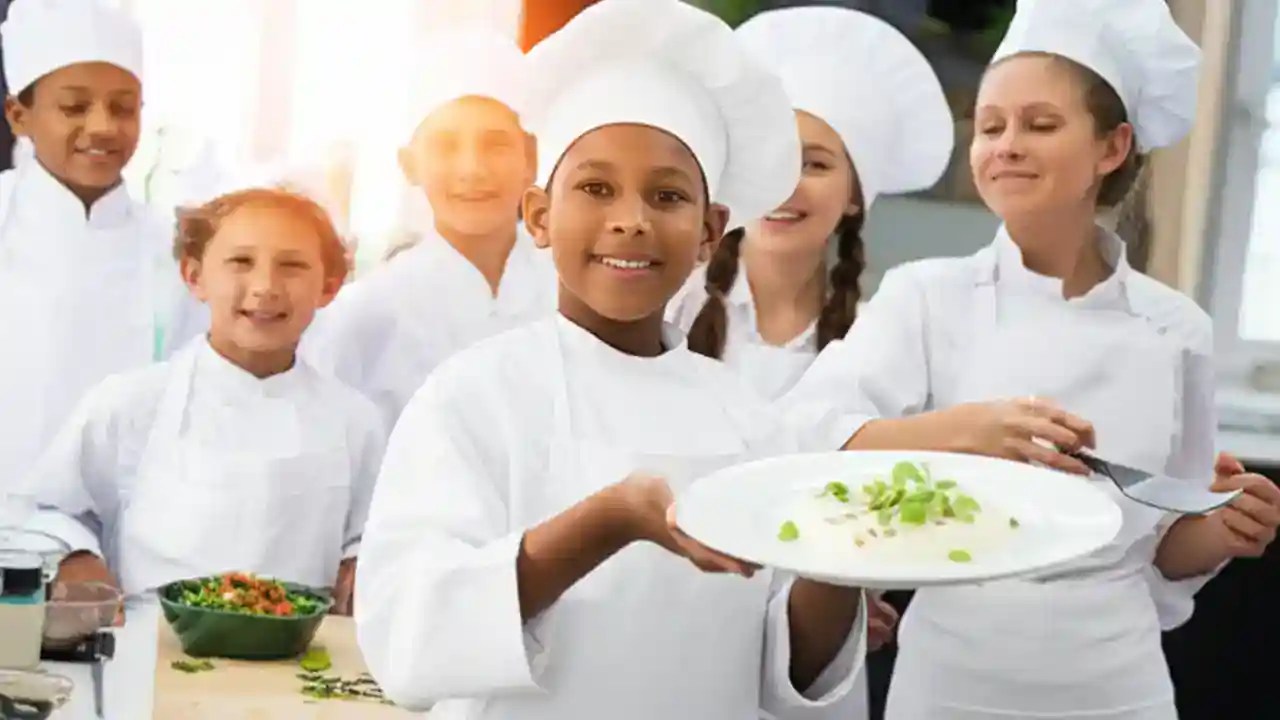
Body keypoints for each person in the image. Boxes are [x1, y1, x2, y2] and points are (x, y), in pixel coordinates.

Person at [354, 1, 868, 717]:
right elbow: (408, 636)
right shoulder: (474, 397)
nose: (631, 218)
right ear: (539, 215)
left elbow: (792, 672)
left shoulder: (752, 425)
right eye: (596, 188)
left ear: (709, 233)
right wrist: (611, 519)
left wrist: (845, 560)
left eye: (668, 195)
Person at [780, 0, 1280, 717]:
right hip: (953, 681)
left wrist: (1222, 531)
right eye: (990, 126)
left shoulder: (1178, 331)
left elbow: (1164, 546)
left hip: (1118, 689)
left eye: (1040, 125)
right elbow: (805, 432)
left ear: (1112, 148)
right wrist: (965, 431)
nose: (1006, 144)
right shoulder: (925, 296)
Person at [21, 189, 385, 616]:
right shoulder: (133, 402)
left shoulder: (355, 421)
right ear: (195, 277)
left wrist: (360, 563)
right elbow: (49, 509)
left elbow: (370, 532)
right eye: (240, 262)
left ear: (329, 286)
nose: (265, 287)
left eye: (292, 266)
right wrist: (76, 559)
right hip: (151, 651)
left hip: (298, 662)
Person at [672, 6, 953, 402]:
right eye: (770, 155)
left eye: (814, 164)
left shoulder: (878, 340)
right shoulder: (668, 305)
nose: (784, 183)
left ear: (854, 196)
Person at [301, 29, 556, 433]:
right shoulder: (365, 316)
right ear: (409, 165)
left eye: (496, 145)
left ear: (531, 159)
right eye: (446, 145)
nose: (472, 168)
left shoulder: (572, 296)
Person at [0, 0, 200, 495]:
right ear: (18, 115)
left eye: (123, 107)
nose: (103, 127)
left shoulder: (175, 251)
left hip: (120, 539)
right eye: (74, 107)